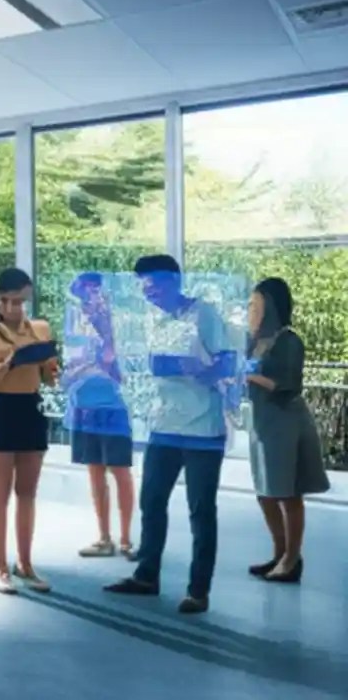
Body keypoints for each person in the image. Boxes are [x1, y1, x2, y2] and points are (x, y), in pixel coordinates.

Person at [105, 255, 237, 614]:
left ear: (173, 281)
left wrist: (199, 370)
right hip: (163, 426)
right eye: (143, 288)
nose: (149, 293)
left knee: (200, 510)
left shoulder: (204, 314)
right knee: (151, 502)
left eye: (154, 286)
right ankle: (146, 575)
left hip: (202, 429)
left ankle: (199, 590)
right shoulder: (157, 320)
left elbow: (228, 363)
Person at [0, 268, 58, 595]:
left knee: (28, 492)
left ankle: (26, 563)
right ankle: (0, 566)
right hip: (1, 408)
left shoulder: (40, 329)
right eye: (10, 301)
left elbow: (48, 378)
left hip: (31, 409)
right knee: (0, 493)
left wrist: (52, 369)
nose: (16, 308)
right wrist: (4, 366)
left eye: (21, 302)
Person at [244, 277, 329, 583]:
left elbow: (289, 385)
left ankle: (292, 559)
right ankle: (279, 554)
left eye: (256, 304)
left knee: (287, 492)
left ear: (272, 305)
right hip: (261, 423)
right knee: (265, 492)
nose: (251, 309)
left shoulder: (288, 340)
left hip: (285, 422)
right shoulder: (252, 340)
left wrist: (251, 378)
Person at [63, 273, 135, 560]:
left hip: (113, 408)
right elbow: (68, 372)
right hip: (84, 407)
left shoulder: (117, 326)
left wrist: (107, 335)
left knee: (120, 471)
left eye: (94, 293)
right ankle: (104, 537)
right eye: (84, 295)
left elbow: (115, 368)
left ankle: (126, 538)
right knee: (94, 471)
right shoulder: (74, 328)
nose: (90, 300)